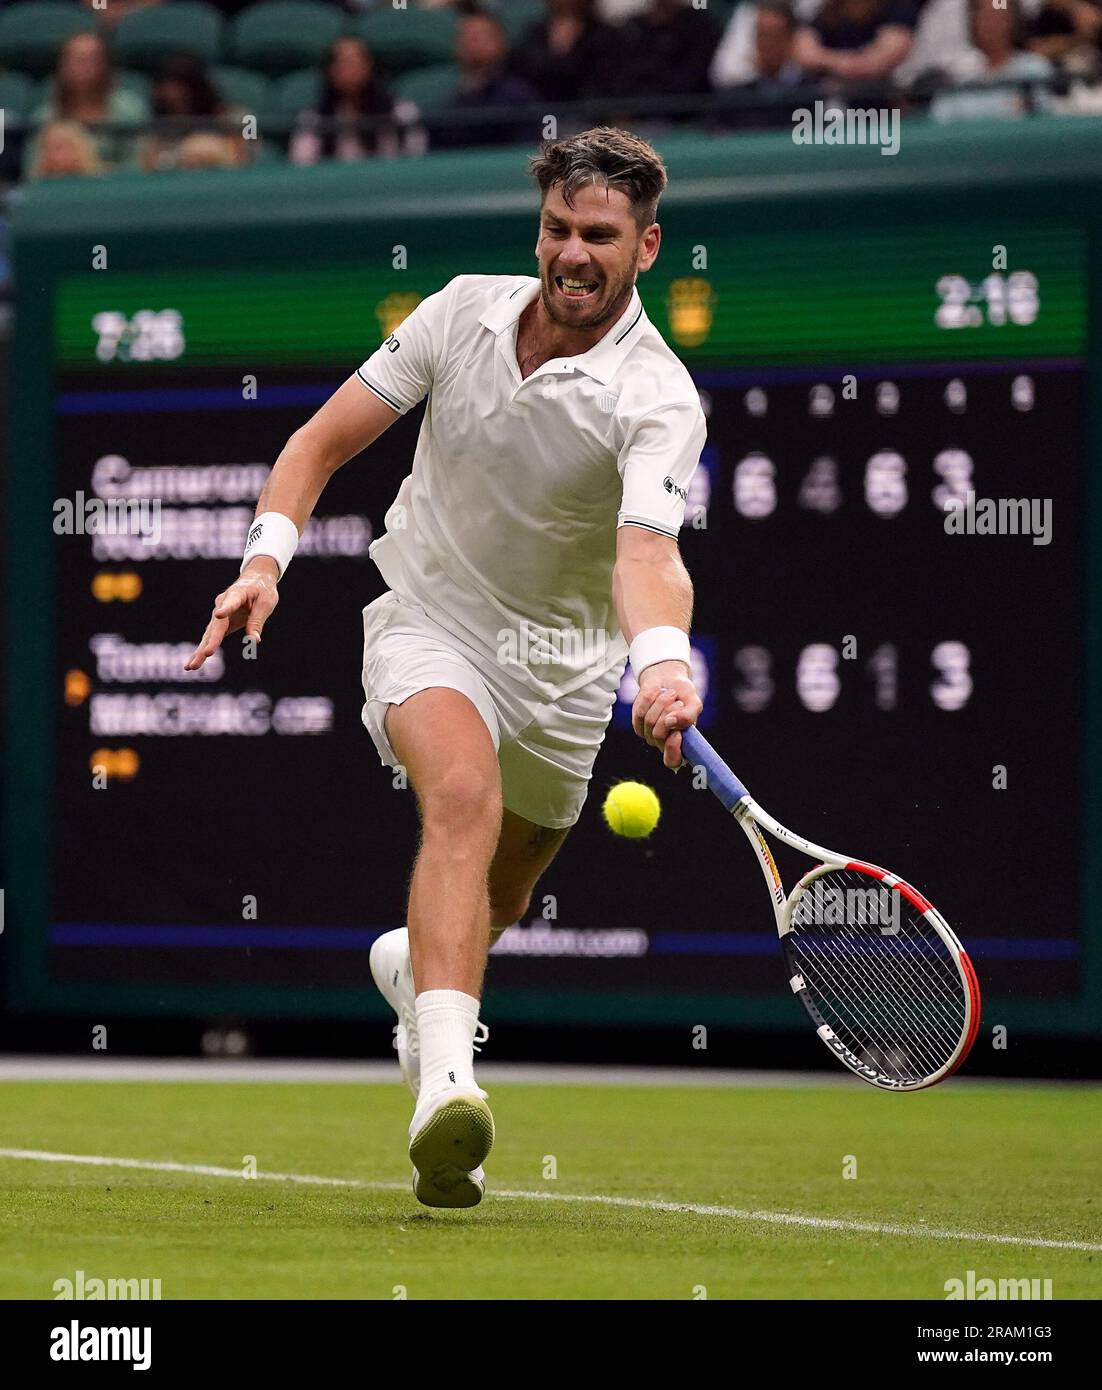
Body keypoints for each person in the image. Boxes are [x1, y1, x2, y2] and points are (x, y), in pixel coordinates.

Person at [185, 126, 706, 1210]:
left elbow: (646, 555)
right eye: (557, 227)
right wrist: (265, 560)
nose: (572, 252)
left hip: (563, 670)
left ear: (645, 247)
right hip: (430, 619)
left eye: (598, 236)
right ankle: (447, 1088)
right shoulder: (458, 311)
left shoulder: (658, 397)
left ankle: (407, 968)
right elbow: (316, 445)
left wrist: (659, 664)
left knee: (499, 892)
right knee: (458, 801)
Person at [26, 31, 150, 175]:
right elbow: (32, 175)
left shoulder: (130, 111)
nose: (81, 67)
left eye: (89, 59)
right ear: (61, 66)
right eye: (73, 59)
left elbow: (137, 167)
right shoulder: (43, 118)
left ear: (104, 65)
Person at [290, 35, 426, 165]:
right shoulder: (311, 119)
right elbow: (303, 166)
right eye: (343, 63)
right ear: (329, 71)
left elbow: (414, 161)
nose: (351, 69)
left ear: (370, 66)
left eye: (358, 61)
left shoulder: (402, 112)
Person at [432, 9, 541, 149]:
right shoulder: (448, 99)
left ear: (501, 43)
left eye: (481, 37)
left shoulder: (518, 96)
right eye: (466, 37)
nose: (472, 43)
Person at [932, 0, 1052, 120]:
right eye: (985, 17)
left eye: (998, 17)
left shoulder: (1035, 69)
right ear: (973, 22)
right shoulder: (958, 72)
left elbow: (1046, 120)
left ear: (1012, 20)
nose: (991, 25)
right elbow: (942, 121)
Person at [139, 54, 247, 173]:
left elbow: (247, 161)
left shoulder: (239, 117)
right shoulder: (157, 129)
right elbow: (147, 166)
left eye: (179, 86)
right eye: (166, 86)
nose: (170, 93)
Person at [509, 0, 621, 103]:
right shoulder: (535, 34)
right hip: (541, 112)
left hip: (588, 114)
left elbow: (605, 82)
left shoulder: (604, 34)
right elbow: (524, 73)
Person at [793, 0, 917, 82]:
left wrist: (830, 61)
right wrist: (841, 63)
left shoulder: (898, 6)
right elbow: (804, 53)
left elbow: (888, 55)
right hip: (831, 96)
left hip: (881, 96)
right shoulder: (829, 10)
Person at [27, 120, 104, 181]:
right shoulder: (34, 186)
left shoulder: (103, 179)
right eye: (51, 148)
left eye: (66, 146)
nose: (58, 156)